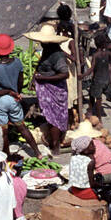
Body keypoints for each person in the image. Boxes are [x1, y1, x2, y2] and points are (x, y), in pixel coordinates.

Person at [0, 32, 36, 152]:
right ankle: (37, 152)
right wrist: (16, 93)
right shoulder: (17, 62)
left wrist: (8, 91)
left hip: (0, 102)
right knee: (22, 127)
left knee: (3, 132)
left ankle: (6, 155)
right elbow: (21, 80)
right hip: (14, 100)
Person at [27, 24, 72, 153]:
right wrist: (34, 79)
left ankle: (55, 145)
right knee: (52, 118)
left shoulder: (57, 55)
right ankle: (55, 142)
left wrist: (44, 79)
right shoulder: (47, 50)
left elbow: (65, 74)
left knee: (55, 119)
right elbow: (42, 66)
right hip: (47, 87)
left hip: (55, 89)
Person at [86, 31, 111, 120]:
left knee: (98, 99)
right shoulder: (108, 54)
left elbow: (92, 68)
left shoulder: (95, 55)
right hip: (106, 79)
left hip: (97, 80)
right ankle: (90, 110)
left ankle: (99, 117)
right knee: (92, 93)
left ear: (95, 44)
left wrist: (83, 75)